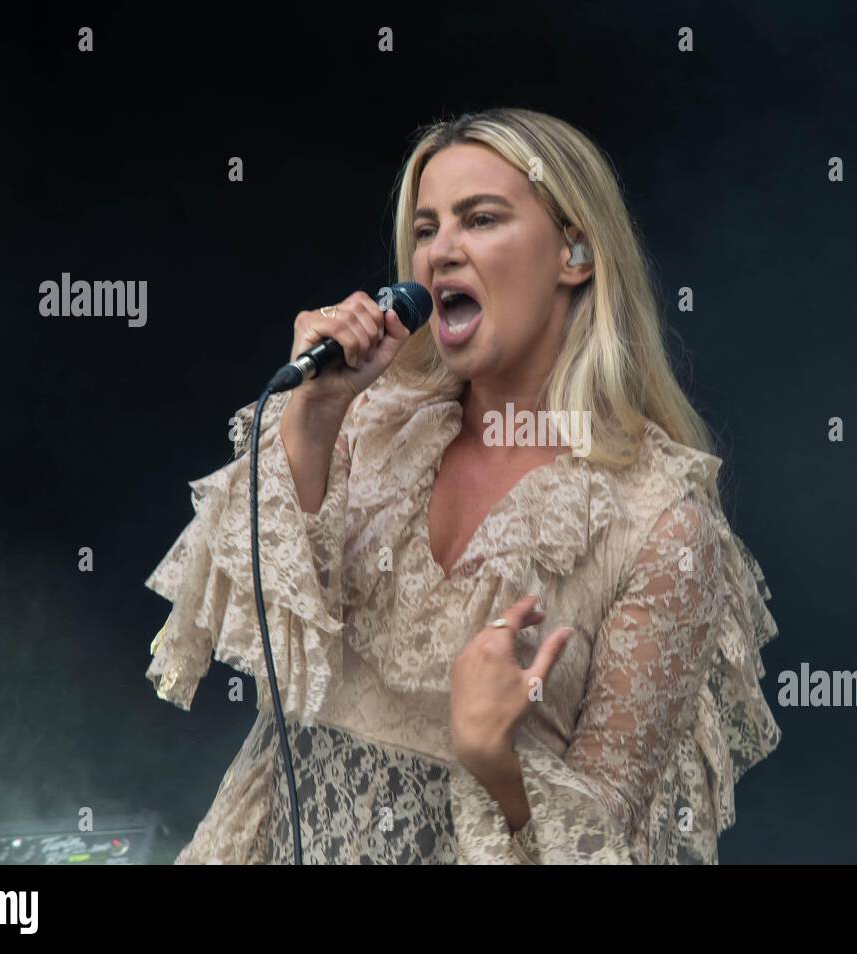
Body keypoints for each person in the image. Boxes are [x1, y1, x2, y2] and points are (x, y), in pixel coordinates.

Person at [144, 107, 782, 864]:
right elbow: (248, 632)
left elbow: (606, 848)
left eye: (479, 220)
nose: (440, 251)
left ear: (574, 253)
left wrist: (495, 761)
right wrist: (311, 417)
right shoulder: (364, 430)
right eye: (424, 229)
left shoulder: (659, 524)